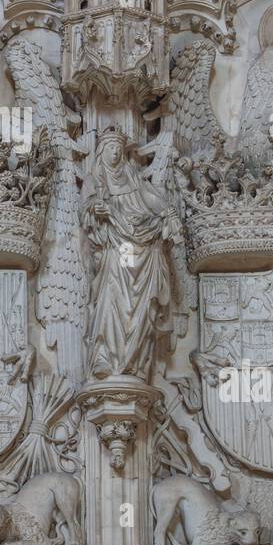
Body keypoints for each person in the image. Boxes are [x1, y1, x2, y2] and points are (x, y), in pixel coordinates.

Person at [81, 127, 178, 380]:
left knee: (139, 302)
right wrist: (96, 210)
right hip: (116, 246)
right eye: (110, 147)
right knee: (113, 297)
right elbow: (86, 211)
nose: (114, 153)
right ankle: (105, 358)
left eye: (117, 148)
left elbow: (153, 199)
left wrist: (168, 213)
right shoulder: (96, 180)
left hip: (139, 246)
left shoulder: (132, 176)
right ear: (101, 151)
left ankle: (135, 363)